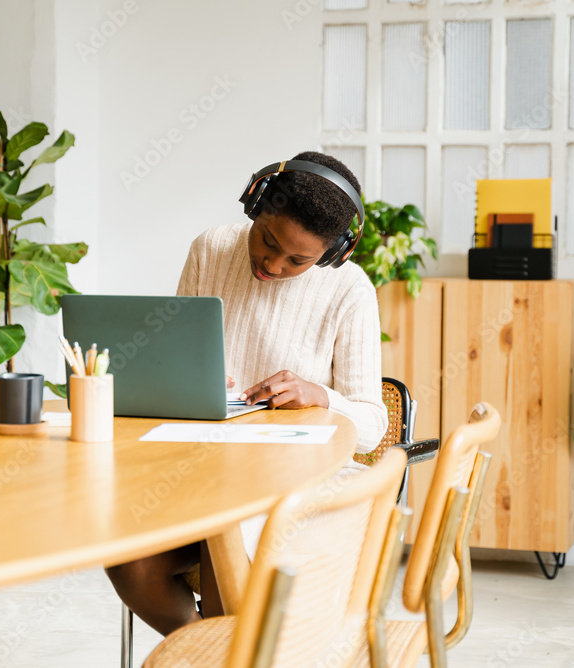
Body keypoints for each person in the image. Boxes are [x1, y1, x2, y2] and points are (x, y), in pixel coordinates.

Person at [104, 150, 388, 637]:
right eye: (267, 240)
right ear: (256, 205)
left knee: (227, 551)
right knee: (129, 562)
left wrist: (320, 394)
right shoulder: (211, 250)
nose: (272, 264)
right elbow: (174, 360)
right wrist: (182, 380)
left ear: (333, 252)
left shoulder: (350, 289)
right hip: (204, 474)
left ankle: (222, 649)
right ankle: (211, 653)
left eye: (298, 260)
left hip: (292, 487)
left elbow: (371, 427)